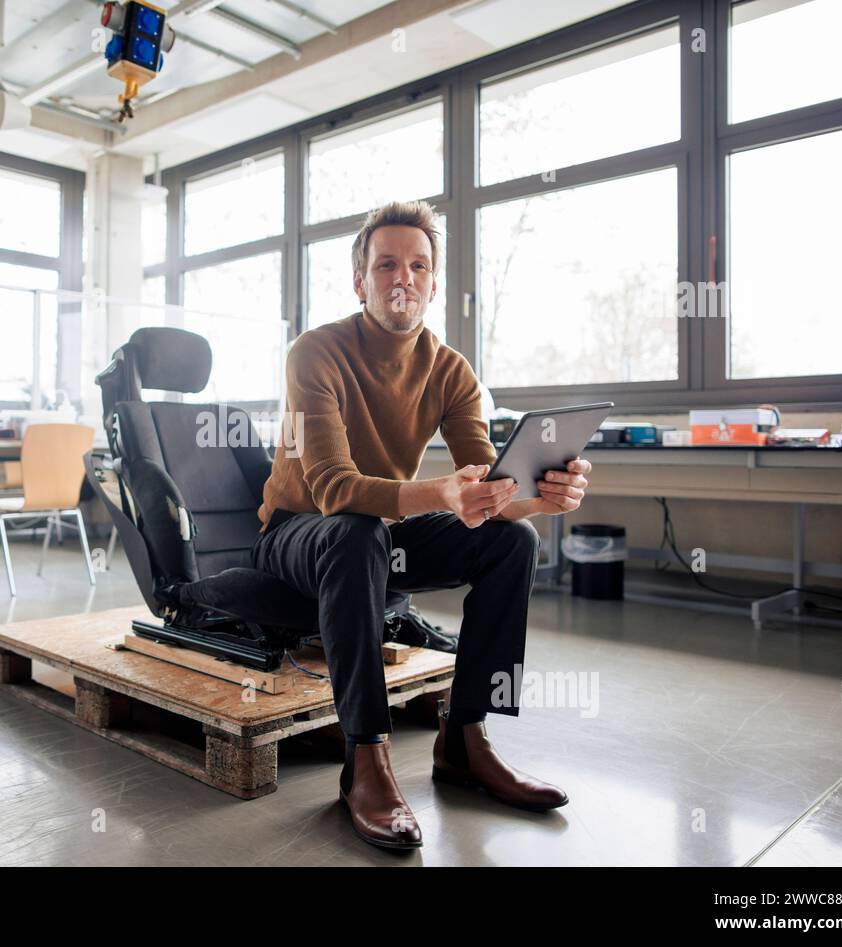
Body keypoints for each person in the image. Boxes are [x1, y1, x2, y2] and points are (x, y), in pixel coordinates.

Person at [252, 200, 593, 850]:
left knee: (512, 541)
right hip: (298, 531)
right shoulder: (314, 353)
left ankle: (465, 738)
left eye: (417, 265)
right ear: (361, 281)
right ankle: (367, 757)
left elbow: (485, 491)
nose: (401, 277)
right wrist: (439, 492)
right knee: (354, 529)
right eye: (385, 265)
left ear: (434, 283)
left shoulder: (451, 371)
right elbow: (332, 489)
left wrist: (540, 500)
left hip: (380, 530)